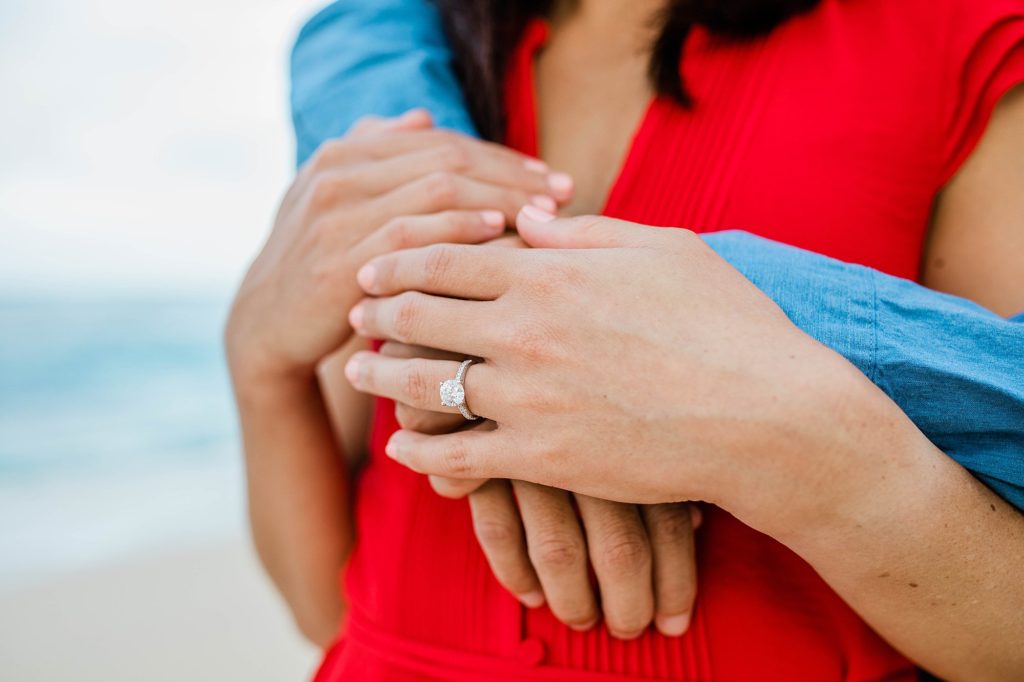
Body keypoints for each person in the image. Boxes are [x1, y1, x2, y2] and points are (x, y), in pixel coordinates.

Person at [227, 0, 1024, 679]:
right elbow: (324, 607)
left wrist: (784, 441)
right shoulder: (411, 65)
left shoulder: (964, 42)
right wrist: (259, 360)